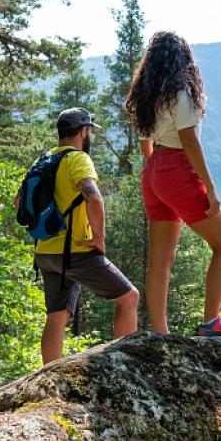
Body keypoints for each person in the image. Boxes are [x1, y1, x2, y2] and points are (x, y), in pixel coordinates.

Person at [125, 32, 221, 337]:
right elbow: (190, 142)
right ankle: (211, 323)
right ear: (183, 59)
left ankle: (160, 333)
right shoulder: (181, 90)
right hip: (178, 169)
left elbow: (146, 142)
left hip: (154, 172)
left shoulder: (148, 95)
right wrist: (210, 189)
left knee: (160, 260)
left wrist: (156, 171)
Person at [33, 107, 140, 364]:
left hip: (45, 252)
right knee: (129, 298)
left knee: (57, 315)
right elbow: (93, 197)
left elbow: (19, 203)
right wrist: (99, 239)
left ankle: (48, 379)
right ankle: (126, 367)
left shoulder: (42, 161)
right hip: (77, 251)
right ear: (83, 131)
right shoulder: (77, 159)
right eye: (89, 130)